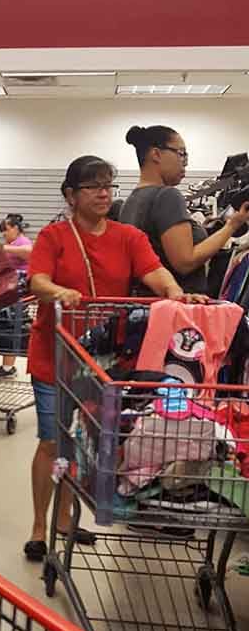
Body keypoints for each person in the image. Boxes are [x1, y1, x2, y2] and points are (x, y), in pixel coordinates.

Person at [24, 154, 192, 563]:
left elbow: (155, 272)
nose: (103, 193)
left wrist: (174, 292)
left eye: (108, 185)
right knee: (52, 439)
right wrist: (58, 292)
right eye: (93, 186)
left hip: (103, 360)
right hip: (54, 354)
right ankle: (38, 526)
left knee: (82, 440)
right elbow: (37, 280)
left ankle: (64, 518)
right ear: (71, 195)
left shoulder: (128, 237)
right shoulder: (54, 236)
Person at [121, 125, 249, 293]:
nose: (186, 162)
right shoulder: (167, 196)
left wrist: (201, 230)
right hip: (176, 302)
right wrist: (232, 225)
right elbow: (185, 262)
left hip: (145, 301)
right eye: (181, 153)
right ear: (156, 154)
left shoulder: (130, 201)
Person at [0, 214, 33, 377]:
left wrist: (5, 248)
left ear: (16, 228)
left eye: (7, 230)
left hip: (17, 294)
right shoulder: (12, 243)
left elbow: (30, 252)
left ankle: (8, 367)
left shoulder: (23, 242)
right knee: (7, 327)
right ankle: (7, 366)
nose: (4, 234)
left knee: (11, 327)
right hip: (8, 292)